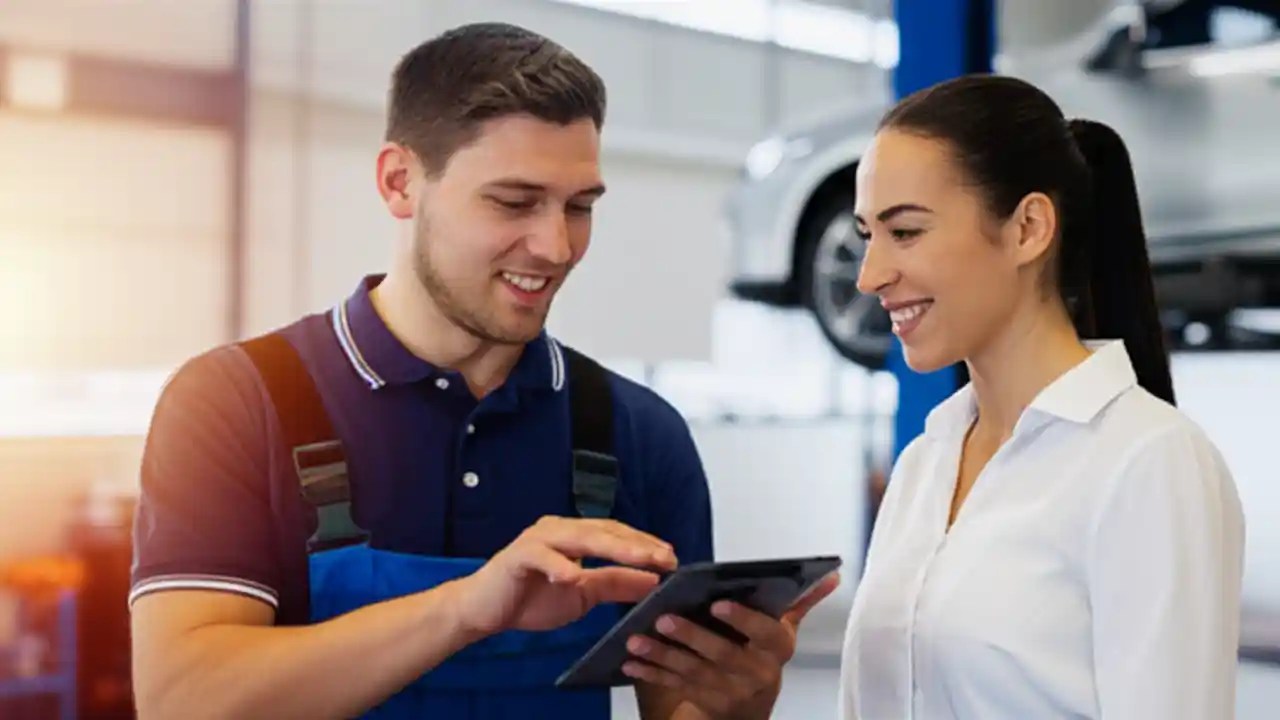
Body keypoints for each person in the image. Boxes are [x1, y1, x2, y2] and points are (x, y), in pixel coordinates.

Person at [129, 22, 837, 720]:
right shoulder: (235, 403)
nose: (555, 246)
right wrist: (470, 607)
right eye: (515, 202)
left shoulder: (638, 434)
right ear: (401, 182)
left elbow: (678, 709)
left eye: (580, 207)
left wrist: (743, 699)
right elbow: (182, 700)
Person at [839, 74, 1244, 719]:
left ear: (1028, 227)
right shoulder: (924, 464)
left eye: (906, 232)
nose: (870, 276)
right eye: (867, 236)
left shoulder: (1149, 462)